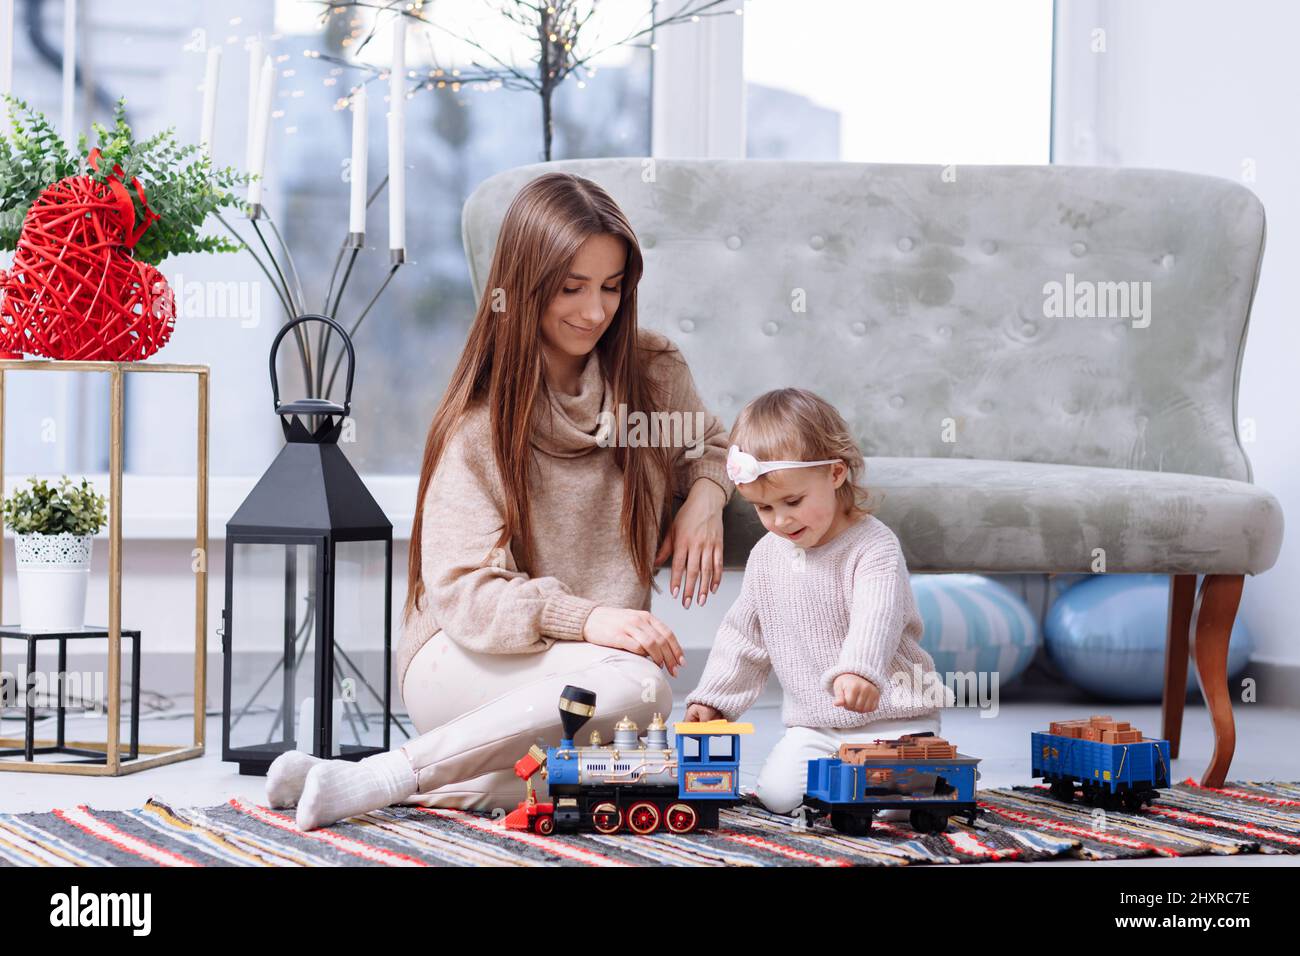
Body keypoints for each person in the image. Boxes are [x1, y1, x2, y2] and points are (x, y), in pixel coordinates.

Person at [266, 172, 735, 830]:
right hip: (464, 661)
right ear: (525, 285)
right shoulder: (480, 424)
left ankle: (349, 781)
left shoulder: (653, 373)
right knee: (643, 688)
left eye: (610, 287)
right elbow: (463, 594)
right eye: (571, 288)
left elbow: (711, 446)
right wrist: (586, 617)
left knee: (621, 773)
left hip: (580, 680)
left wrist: (706, 497)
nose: (594, 312)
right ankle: (387, 771)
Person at [683, 387, 950, 816]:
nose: (780, 520)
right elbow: (743, 636)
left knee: (894, 806)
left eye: (792, 501)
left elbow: (877, 616)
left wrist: (859, 670)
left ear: (836, 473)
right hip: (819, 727)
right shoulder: (767, 556)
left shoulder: (872, 546)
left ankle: (922, 768)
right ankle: (849, 791)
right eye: (763, 508)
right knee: (779, 797)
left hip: (895, 720)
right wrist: (715, 699)